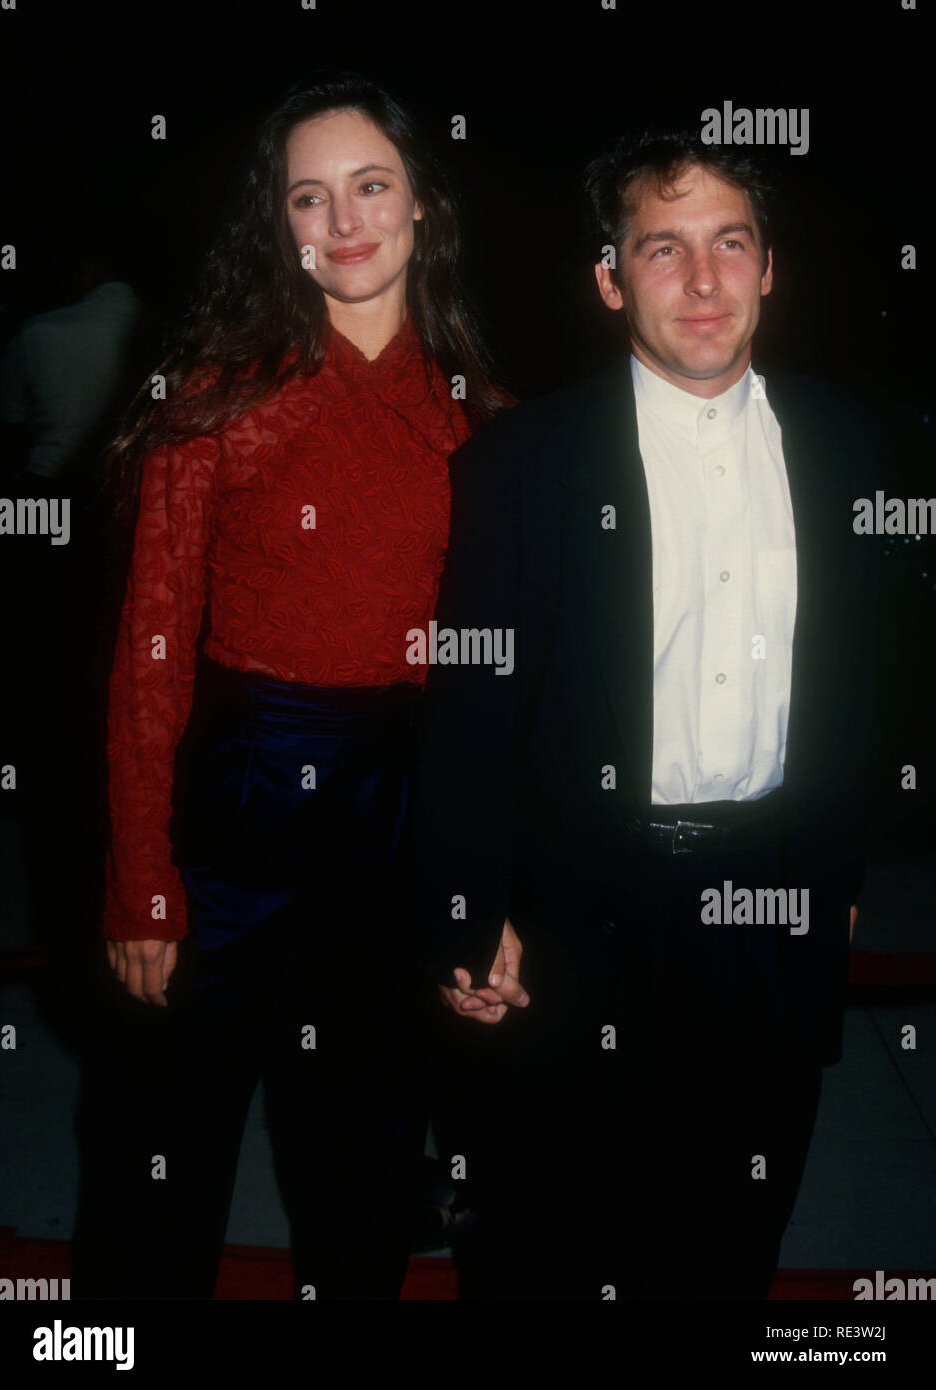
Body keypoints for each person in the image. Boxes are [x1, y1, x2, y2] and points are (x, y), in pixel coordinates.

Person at [403, 127, 885, 1299]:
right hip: (577, 919)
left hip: (768, 918)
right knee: (544, 1251)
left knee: (729, 1244)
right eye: (660, 250)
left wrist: (839, 873)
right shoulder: (521, 464)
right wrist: (470, 911)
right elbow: (472, 706)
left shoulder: (858, 449)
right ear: (610, 280)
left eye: (729, 242)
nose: (704, 281)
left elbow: (872, 686)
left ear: (768, 264)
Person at [69, 72, 507, 1301]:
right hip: (238, 797)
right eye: (307, 198)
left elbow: (509, 683)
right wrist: (138, 878)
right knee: (160, 1155)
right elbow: (149, 650)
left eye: (371, 185)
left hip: (404, 812)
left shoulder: (480, 409)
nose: (345, 218)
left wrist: (493, 883)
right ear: (279, 229)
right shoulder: (218, 398)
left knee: (363, 1160)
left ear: (423, 205)